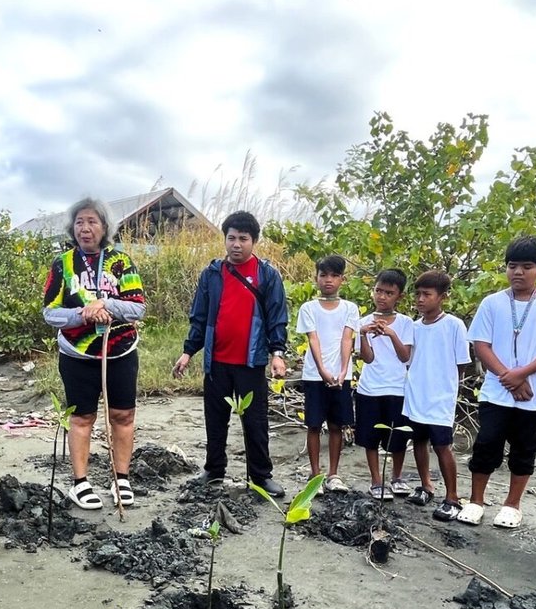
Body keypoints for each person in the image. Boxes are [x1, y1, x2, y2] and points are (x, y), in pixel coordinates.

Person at [172, 210, 290, 496]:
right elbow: (199, 317)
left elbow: (277, 317)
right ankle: (214, 470)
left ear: (254, 241)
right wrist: (188, 352)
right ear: (225, 239)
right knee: (215, 420)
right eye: (231, 238)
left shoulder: (267, 275)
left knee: (255, 422)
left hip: (251, 363)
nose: (236, 244)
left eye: (243, 239)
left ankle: (260, 477)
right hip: (217, 363)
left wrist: (277, 353)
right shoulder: (212, 274)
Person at [40, 196, 147, 509]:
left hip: (121, 351)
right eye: (79, 222)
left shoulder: (121, 262)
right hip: (77, 355)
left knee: (123, 415)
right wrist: (83, 314)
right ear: (72, 228)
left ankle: (121, 478)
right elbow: (50, 312)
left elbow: (138, 307)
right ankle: (80, 482)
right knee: (82, 417)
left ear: (104, 227)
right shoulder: (62, 264)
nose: (85, 228)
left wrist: (106, 304)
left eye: (92, 222)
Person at [462, 236, 536, 528]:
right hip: (496, 390)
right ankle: (476, 500)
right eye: (512, 266)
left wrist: (522, 374)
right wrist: (508, 377)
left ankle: (512, 505)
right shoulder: (492, 302)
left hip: (533, 392)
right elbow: (481, 345)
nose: (518, 272)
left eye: (527, 266)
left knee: (525, 446)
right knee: (486, 442)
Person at [403, 271, 471, 520]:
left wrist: (446, 386)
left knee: (443, 446)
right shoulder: (413, 327)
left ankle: (452, 497)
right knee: (419, 441)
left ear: (442, 297)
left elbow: (462, 363)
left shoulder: (454, 325)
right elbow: (408, 359)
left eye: (427, 294)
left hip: (440, 397)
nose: (420, 299)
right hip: (416, 394)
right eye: (418, 294)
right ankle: (426, 486)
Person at [296, 254, 360, 491]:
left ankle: (333, 474)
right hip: (314, 376)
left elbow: (347, 339)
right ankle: (315, 475)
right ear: (316, 278)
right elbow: (313, 339)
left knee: (336, 425)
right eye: (323, 275)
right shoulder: (308, 308)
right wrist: (322, 370)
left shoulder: (350, 308)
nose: (328, 280)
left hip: (341, 377)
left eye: (334, 275)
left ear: (342, 279)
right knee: (313, 425)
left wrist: (342, 371)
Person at [355, 269, 416, 499]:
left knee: (397, 438)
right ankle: (376, 481)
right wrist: (363, 334)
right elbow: (368, 358)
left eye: (389, 293)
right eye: (378, 291)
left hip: (398, 389)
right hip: (369, 389)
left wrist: (390, 334)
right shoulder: (362, 322)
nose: (382, 297)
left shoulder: (406, 323)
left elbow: (405, 356)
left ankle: (397, 477)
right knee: (370, 438)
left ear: (399, 296)